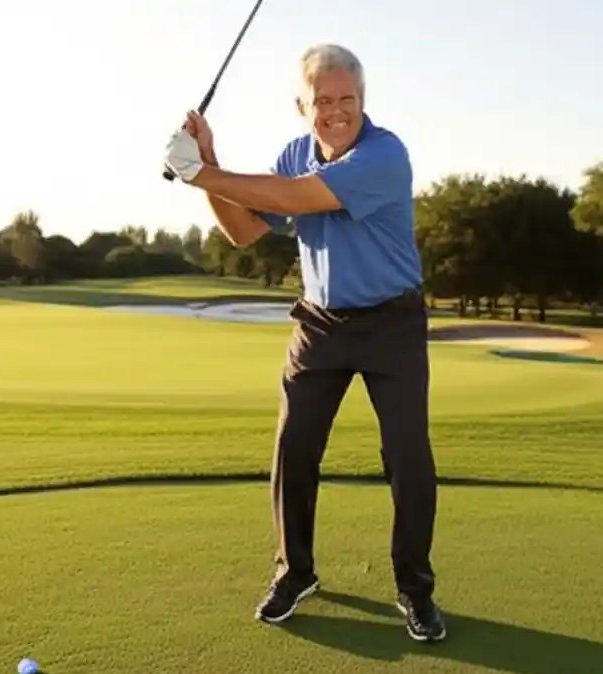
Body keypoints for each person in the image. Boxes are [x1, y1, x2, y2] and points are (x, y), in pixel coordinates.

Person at [163, 43, 445, 643]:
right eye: (323, 100)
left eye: (348, 99)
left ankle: (414, 588)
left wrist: (198, 171)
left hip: (392, 325)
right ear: (303, 105)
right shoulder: (294, 152)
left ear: (363, 101)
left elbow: (293, 198)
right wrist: (207, 166)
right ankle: (296, 574)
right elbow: (242, 229)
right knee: (294, 449)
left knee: (407, 458)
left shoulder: (385, 154)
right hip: (320, 324)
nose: (336, 111)